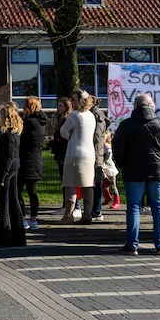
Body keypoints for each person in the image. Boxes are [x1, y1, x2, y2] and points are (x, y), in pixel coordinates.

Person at [112, 94, 160, 256]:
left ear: (135, 106)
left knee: (133, 208)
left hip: (133, 172)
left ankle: (132, 245)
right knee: (158, 207)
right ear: (151, 106)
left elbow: (117, 149)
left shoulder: (126, 125)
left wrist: (124, 165)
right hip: (157, 172)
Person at [0, 103, 25, 247]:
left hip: (8, 171)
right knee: (12, 200)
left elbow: (8, 157)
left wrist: (2, 175)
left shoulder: (8, 135)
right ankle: (15, 235)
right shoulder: (13, 134)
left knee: (6, 203)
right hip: (13, 169)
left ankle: (6, 236)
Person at [59, 91, 97, 224]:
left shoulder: (74, 115)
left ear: (79, 101)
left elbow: (63, 132)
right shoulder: (91, 115)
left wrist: (70, 136)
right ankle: (88, 214)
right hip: (90, 154)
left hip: (74, 154)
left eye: (74, 99)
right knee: (88, 185)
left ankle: (68, 215)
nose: (72, 101)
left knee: (70, 184)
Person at [19, 97, 48, 231]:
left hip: (25, 159)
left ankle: (23, 218)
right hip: (36, 159)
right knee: (33, 192)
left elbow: (22, 141)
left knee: (18, 191)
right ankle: (33, 219)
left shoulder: (28, 122)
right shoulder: (41, 122)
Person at [50, 98, 73, 215]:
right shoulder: (60, 119)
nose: (58, 108)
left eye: (60, 106)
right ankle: (65, 204)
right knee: (64, 180)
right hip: (60, 152)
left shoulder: (67, 119)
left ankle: (68, 205)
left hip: (64, 153)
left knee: (67, 180)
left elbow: (65, 138)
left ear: (66, 107)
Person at [99, 131, 121, 210]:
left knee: (113, 186)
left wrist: (102, 160)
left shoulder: (107, 147)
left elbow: (107, 156)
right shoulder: (100, 146)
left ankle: (117, 201)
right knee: (103, 184)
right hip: (103, 168)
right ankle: (107, 197)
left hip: (109, 169)